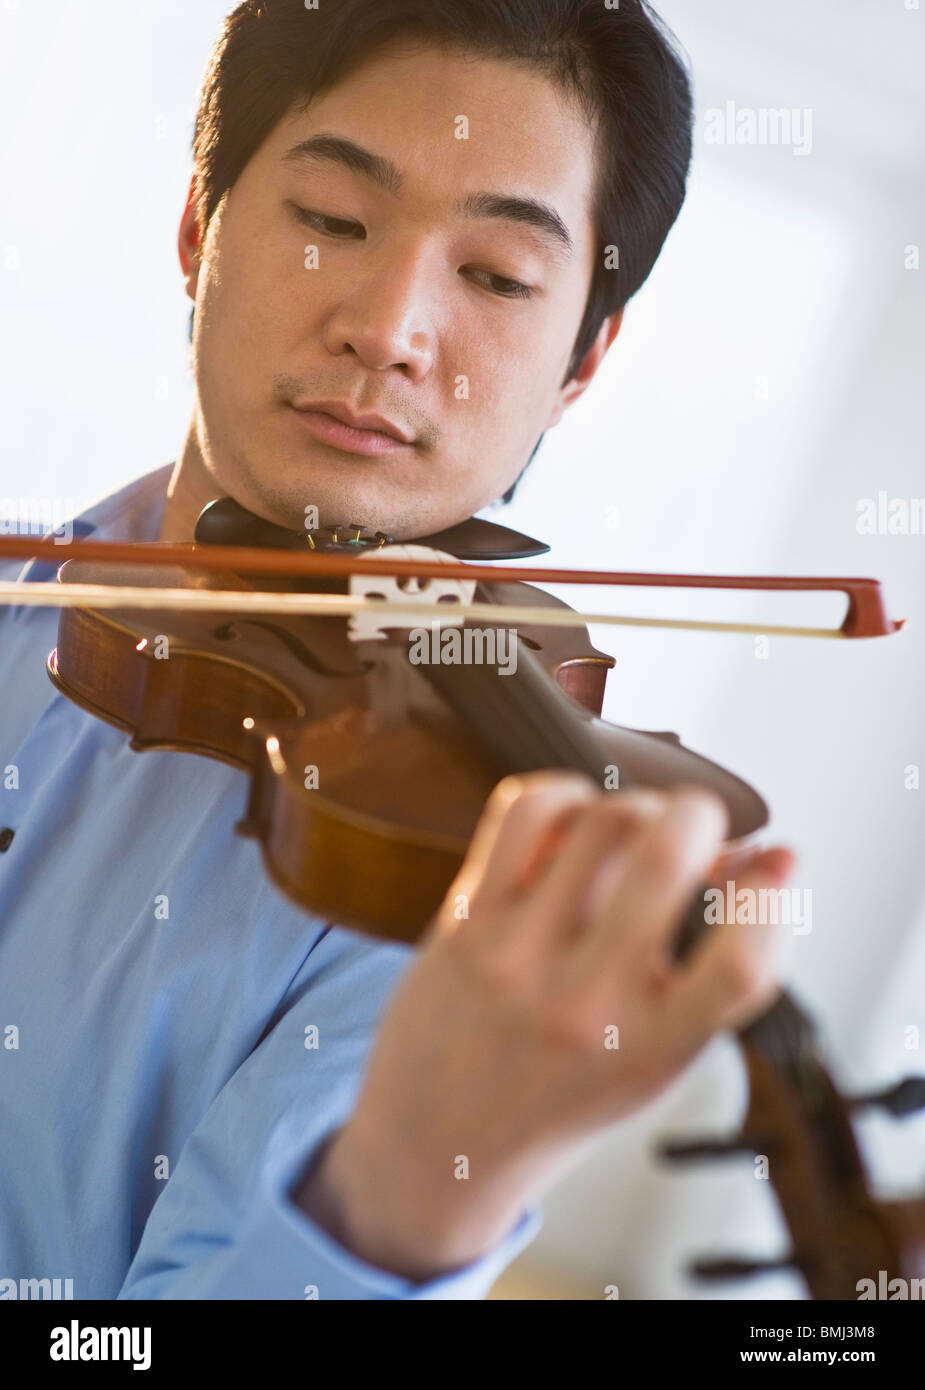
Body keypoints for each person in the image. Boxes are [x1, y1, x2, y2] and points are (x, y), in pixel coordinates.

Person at [0, 0, 794, 1300]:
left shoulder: (469, 879)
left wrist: (407, 1202)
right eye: (329, 221)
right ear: (198, 228)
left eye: (494, 276)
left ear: (583, 359)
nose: (391, 327)